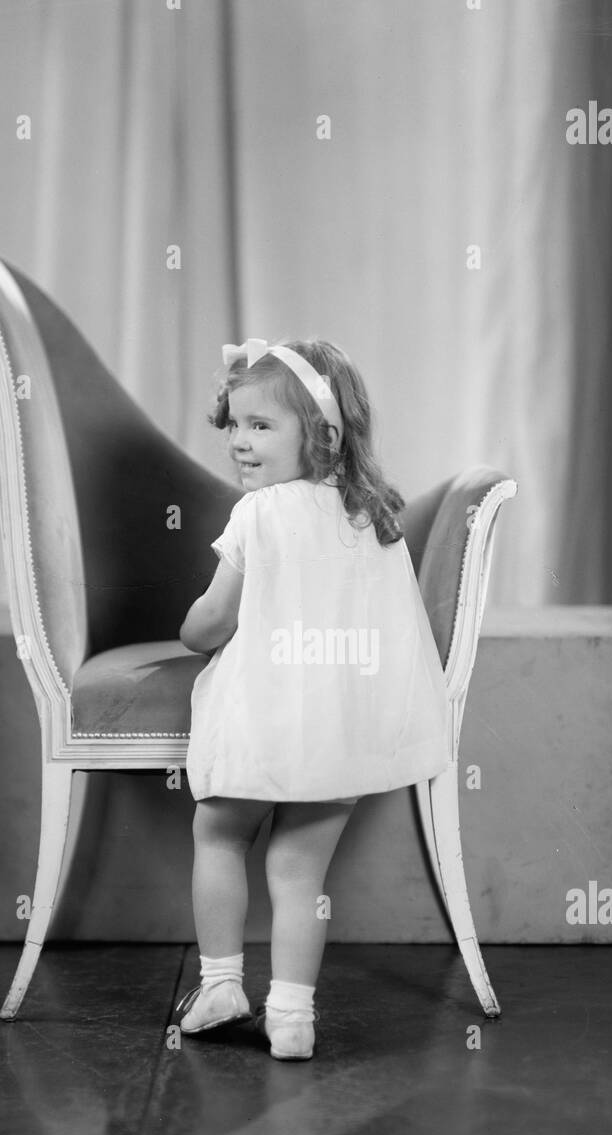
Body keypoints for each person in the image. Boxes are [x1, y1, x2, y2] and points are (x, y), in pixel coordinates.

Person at [177, 337, 449, 1060]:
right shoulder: (374, 517)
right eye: (232, 425)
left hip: (264, 719)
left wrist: (190, 630)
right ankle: (292, 1015)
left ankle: (220, 983)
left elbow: (214, 620)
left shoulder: (259, 515)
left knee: (219, 834)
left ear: (323, 436)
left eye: (260, 426)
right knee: (300, 873)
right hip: (343, 728)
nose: (239, 441)